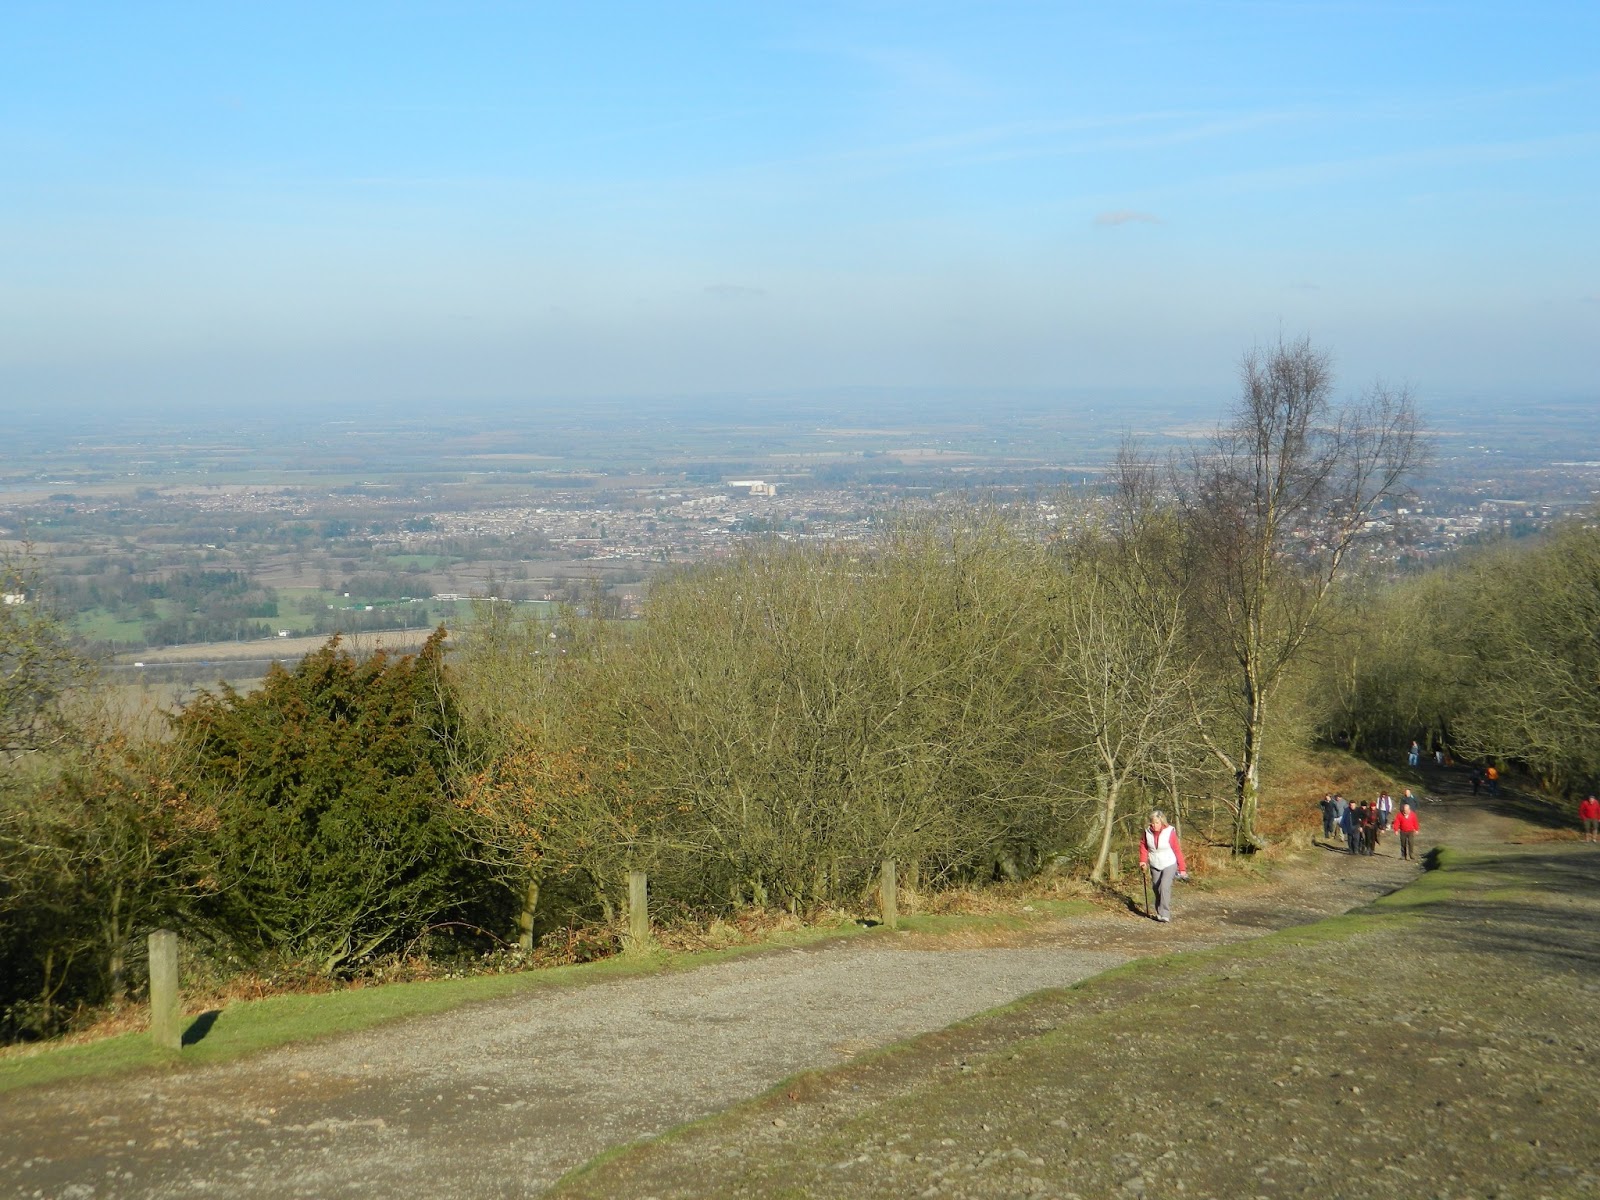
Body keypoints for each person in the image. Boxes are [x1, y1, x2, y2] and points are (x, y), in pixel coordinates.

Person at [1139, 809, 1189, 923]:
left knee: (1164, 887)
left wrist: (1182, 868)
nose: (1154, 825)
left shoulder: (1169, 831)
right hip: (1154, 863)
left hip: (1169, 863)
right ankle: (1159, 912)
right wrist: (1143, 860)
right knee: (1156, 888)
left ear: (1162, 822)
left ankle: (1165, 914)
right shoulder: (1147, 832)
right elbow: (1143, 846)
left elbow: (1177, 849)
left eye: (1157, 823)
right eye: (1152, 823)